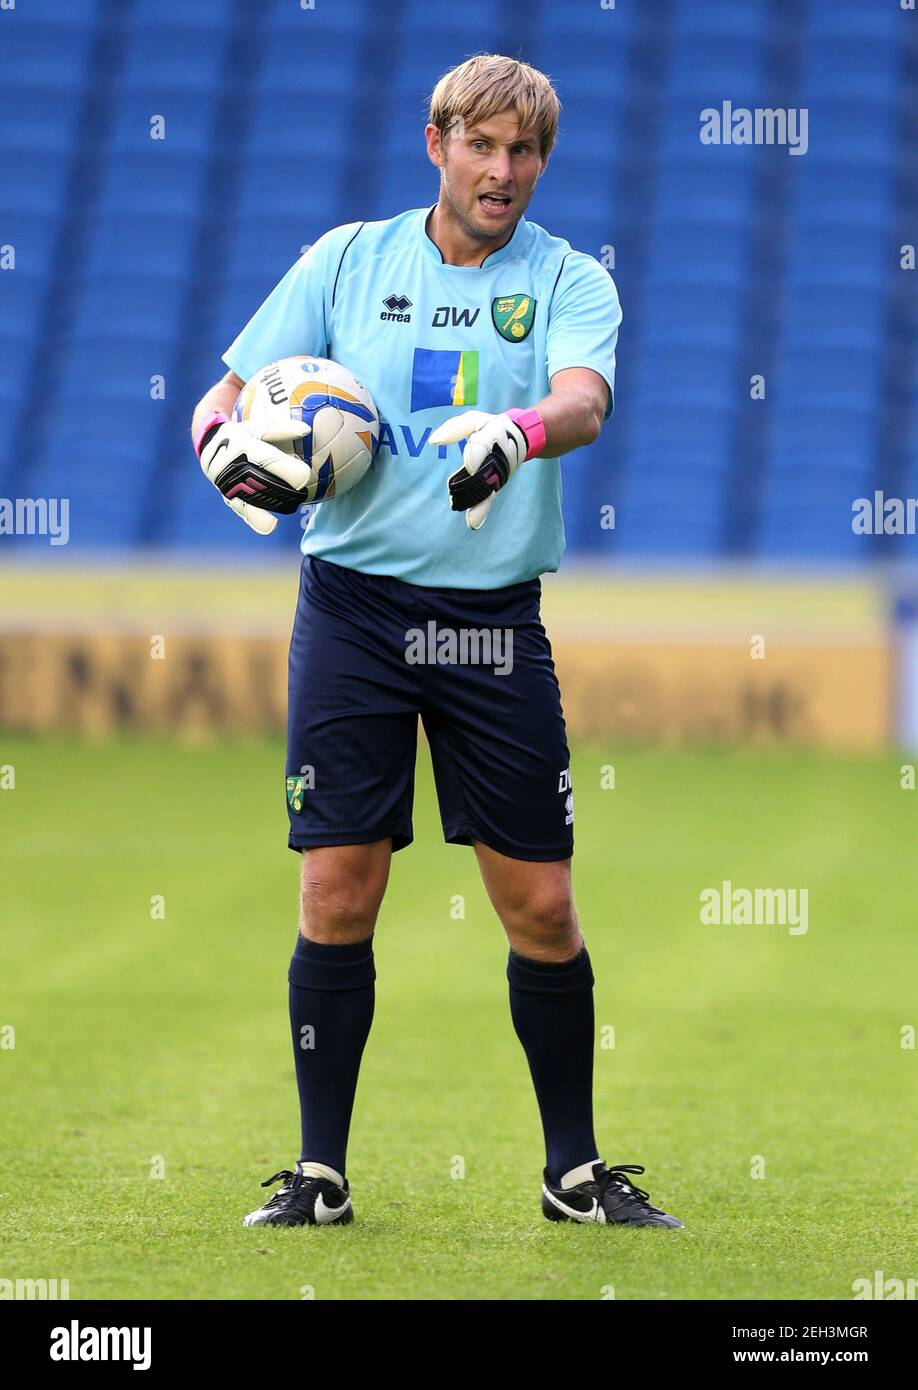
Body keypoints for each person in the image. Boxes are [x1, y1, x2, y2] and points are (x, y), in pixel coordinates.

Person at [190, 52, 682, 1231]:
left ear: (541, 163)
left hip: (492, 625)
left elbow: (583, 399)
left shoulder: (569, 277)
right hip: (353, 613)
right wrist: (222, 448)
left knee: (543, 906)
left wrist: (517, 431)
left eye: (524, 153)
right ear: (438, 143)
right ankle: (318, 1175)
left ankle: (573, 1174)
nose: (503, 170)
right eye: (483, 146)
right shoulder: (347, 260)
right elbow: (226, 393)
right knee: (336, 887)